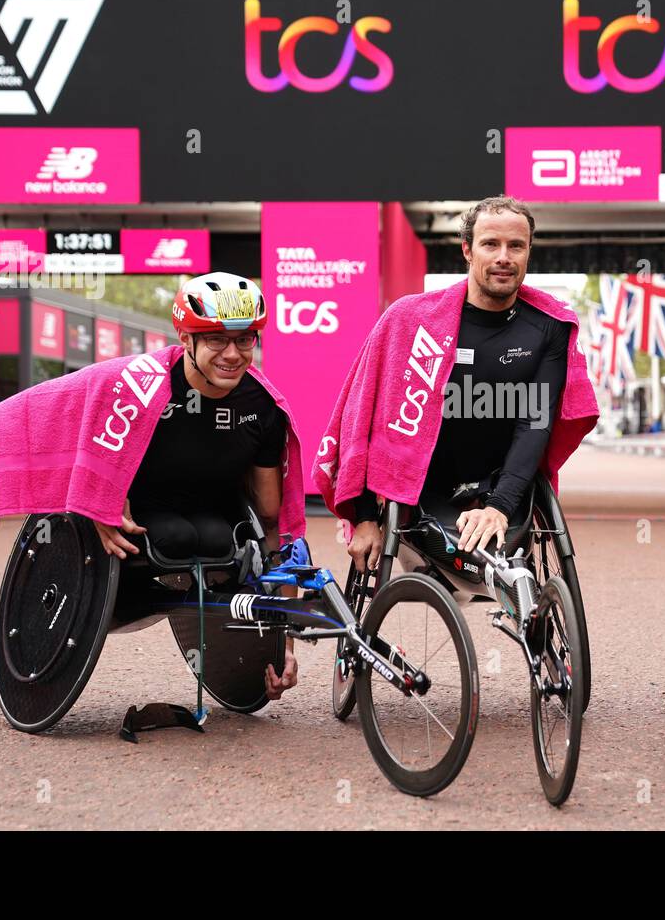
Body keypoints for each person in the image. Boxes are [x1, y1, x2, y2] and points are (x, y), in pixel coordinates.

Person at [318, 196, 594, 576]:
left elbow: (535, 424)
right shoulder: (409, 321)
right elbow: (365, 419)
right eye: (490, 244)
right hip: (421, 487)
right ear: (467, 250)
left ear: (529, 252)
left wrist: (499, 506)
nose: (504, 257)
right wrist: (366, 517)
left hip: (501, 485)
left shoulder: (550, 327)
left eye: (516, 246)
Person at [91, 272, 300, 701]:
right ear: (185, 338)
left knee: (219, 537)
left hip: (210, 516)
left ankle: (195, 594)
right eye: (216, 340)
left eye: (245, 340)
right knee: (175, 535)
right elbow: (87, 454)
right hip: (141, 518)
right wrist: (99, 504)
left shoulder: (262, 407)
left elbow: (273, 525)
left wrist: (284, 643)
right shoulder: (143, 387)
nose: (233, 354)